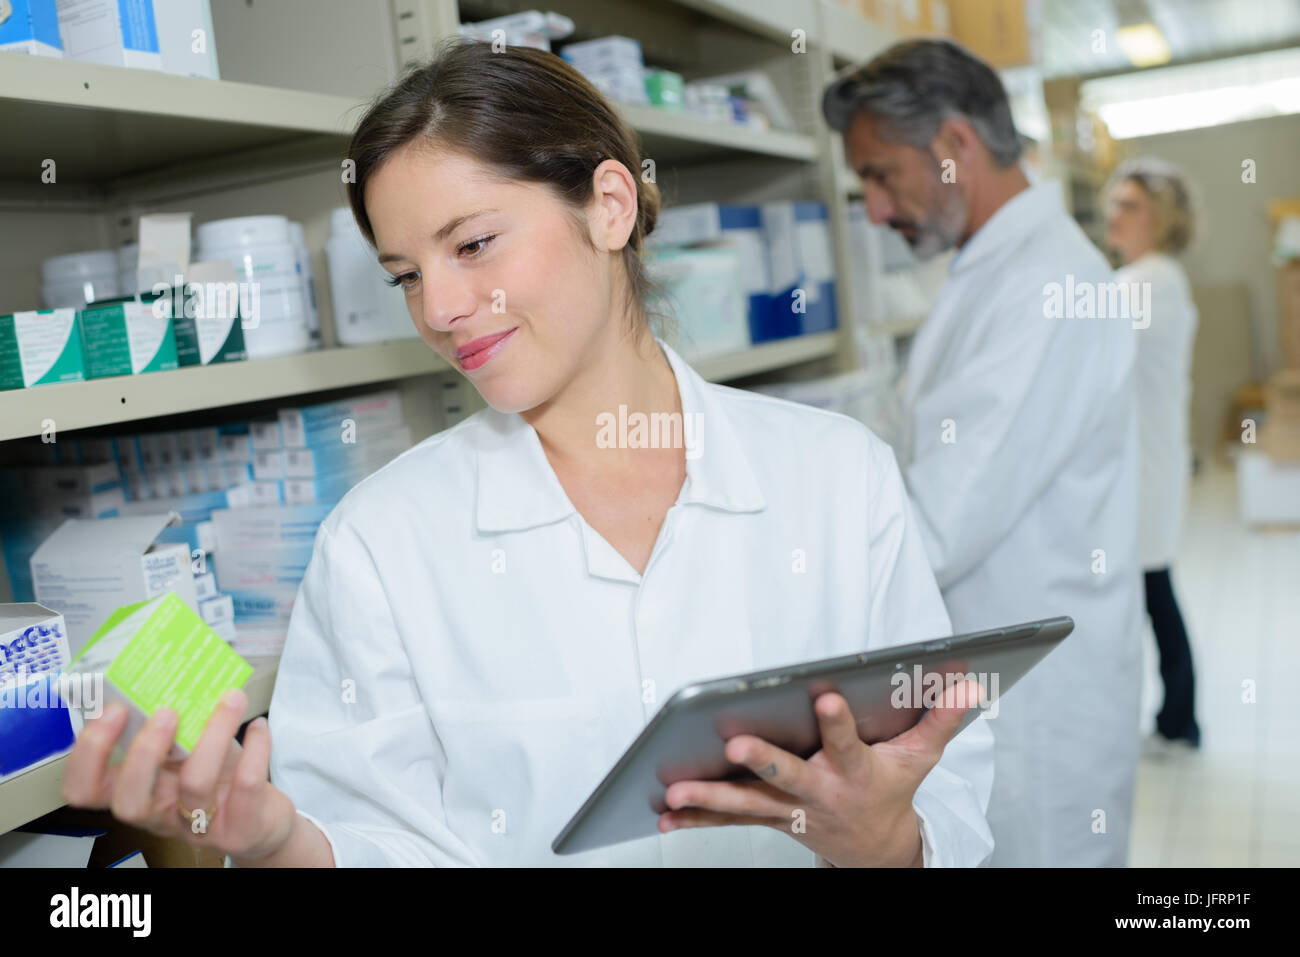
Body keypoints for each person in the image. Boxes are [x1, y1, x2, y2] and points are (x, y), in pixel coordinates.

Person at [62, 40, 995, 867]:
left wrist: (891, 848)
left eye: (473, 244)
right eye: (407, 277)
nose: (441, 309)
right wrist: (279, 846)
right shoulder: (382, 541)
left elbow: (944, 786)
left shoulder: (837, 477)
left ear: (609, 205)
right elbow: (379, 839)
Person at [823, 39, 1144, 866]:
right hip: (984, 688)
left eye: (880, 174)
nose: (874, 209)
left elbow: (936, 526)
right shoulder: (991, 271)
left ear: (955, 145)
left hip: (1035, 716)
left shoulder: (1047, 286)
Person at [1104, 158, 1201, 752]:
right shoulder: (1144, 278)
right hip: (1148, 465)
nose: (1115, 214)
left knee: (1154, 594)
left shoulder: (1150, 281)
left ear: (1163, 219)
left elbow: (1078, 342)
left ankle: (1179, 721)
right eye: (1113, 202)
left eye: (1131, 205)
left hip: (1147, 470)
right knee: (1155, 592)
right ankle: (1177, 720)